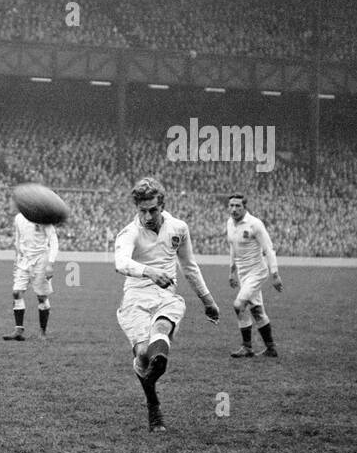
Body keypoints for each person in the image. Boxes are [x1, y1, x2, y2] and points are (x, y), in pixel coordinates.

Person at [114, 177, 220, 433]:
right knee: (142, 355)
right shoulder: (129, 233)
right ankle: (153, 401)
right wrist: (150, 272)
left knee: (161, 330)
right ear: (136, 208)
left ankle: (159, 363)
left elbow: (189, 266)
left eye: (153, 209)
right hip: (135, 298)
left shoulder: (178, 228)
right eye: (142, 210)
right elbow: (120, 263)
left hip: (166, 296)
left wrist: (207, 300)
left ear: (162, 205)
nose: (148, 215)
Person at [225, 194, 282, 358]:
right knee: (257, 310)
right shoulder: (230, 223)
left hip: (257, 272)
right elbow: (232, 247)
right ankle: (271, 348)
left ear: (245, 207)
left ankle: (247, 347)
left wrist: (275, 274)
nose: (234, 209)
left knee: (239, 305)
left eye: (238, 206)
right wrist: (231, 271)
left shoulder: (255, 224)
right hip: (243, 273)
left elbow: (269, 249)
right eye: (231, 206)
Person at [3, 204, 59, 341]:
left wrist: (50, 264)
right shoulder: (18, 218)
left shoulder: (44, 218)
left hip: (41, 259)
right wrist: (17, 257)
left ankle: (42, 332)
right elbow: (18, 239)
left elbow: (54, 241)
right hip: (24, 260)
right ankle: (18, 330)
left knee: (41, 297)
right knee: (16, 292)